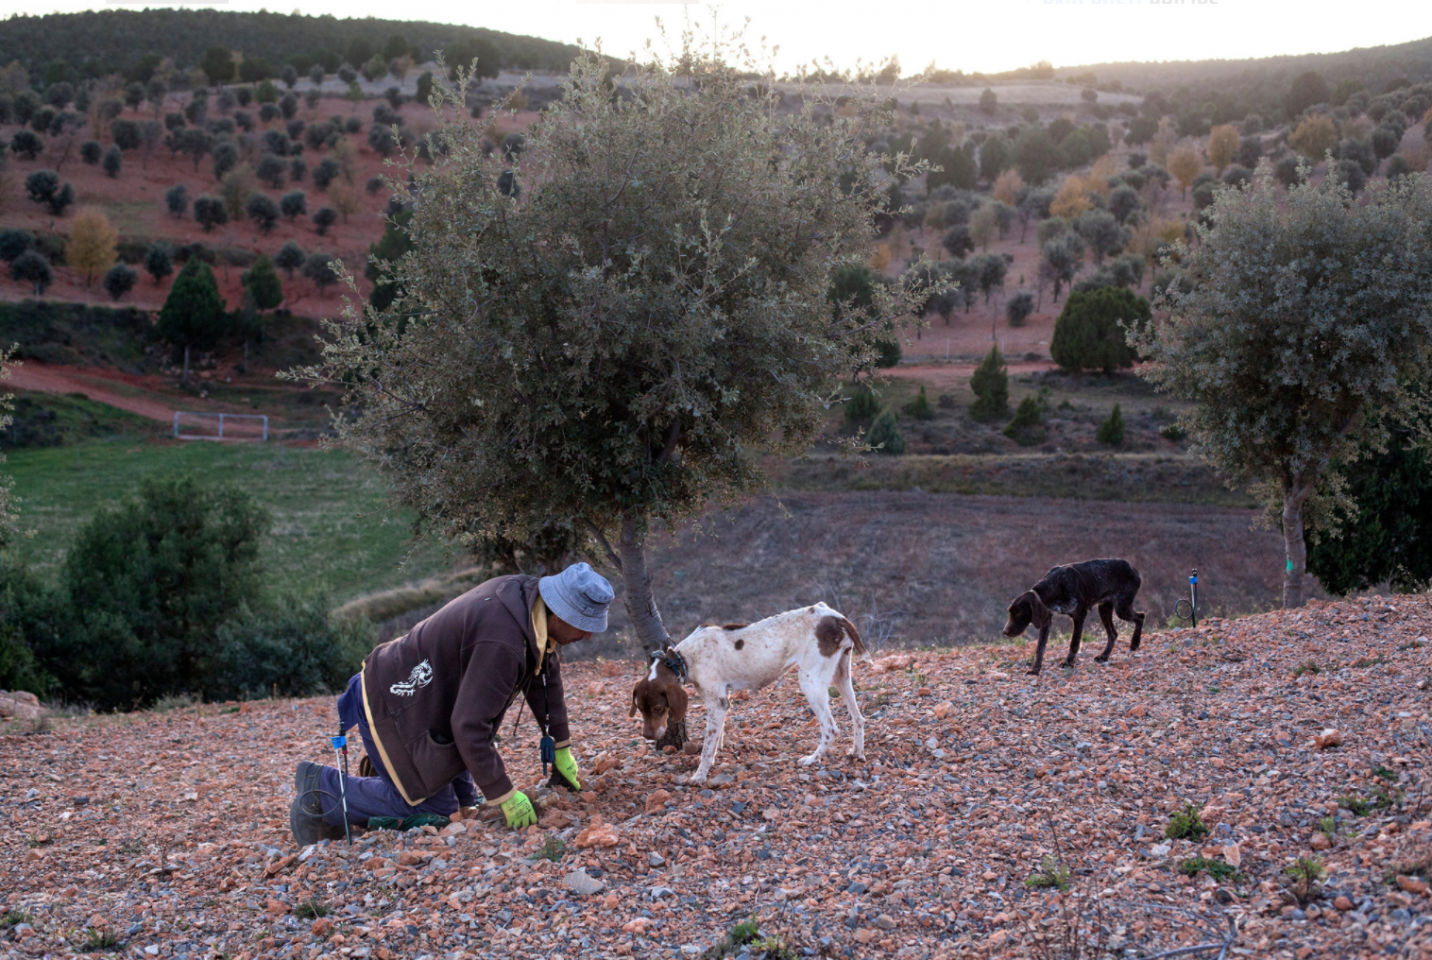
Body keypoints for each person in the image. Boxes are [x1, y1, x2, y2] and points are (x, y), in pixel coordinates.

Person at [289, 561, 615, 843]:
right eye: (583, 625)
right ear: (559, 611)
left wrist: (560, 746)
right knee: (432, 809)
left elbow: (545, 671)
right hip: (393, 702)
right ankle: (323, 787)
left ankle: (389, 772)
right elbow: (469, 725)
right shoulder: (503, 641)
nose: (588, 636)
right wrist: (504, 793)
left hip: (429, 705)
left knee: (464, 806)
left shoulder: (528, 600)